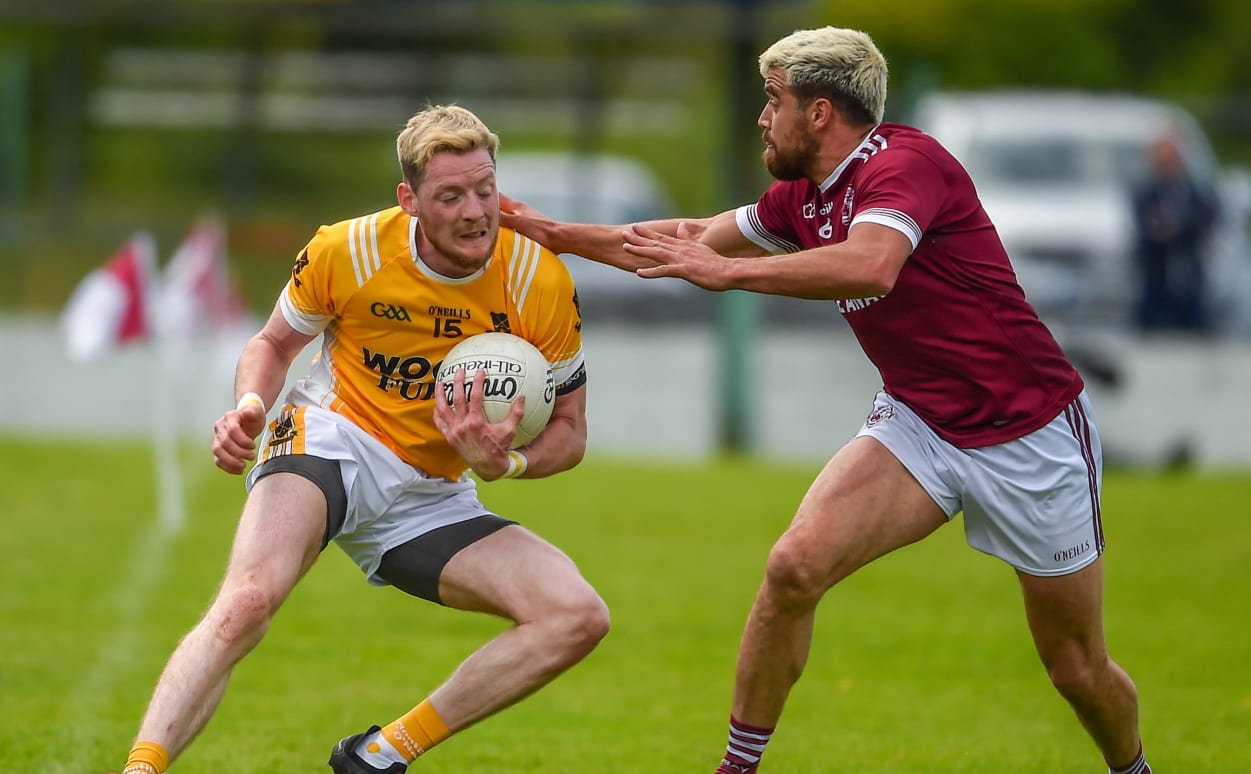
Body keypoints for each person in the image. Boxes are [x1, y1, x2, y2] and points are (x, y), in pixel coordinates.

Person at [501, 26, 1152, 774]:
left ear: (817, 112)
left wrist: (728, 277)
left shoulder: (908, 163)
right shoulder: (800, 200)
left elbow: (873, 264)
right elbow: (683, 238)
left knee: (1075, 669)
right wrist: (548, 232)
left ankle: (1132, 769)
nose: (760, 118)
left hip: (1030, 433)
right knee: (793, 567)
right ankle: (736, 769)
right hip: (922, 423)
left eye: (772, 100)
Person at [117, 103, 605, 774]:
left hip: (432, 491)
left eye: (485, 189)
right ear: (409, 200)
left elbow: (572, 432)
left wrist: (509, 461)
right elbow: (272, 343)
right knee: (251, 599)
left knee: (577, 615)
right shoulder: (347, 249)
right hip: (333, 436)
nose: (474, 211)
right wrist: (252, 406)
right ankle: (142, 767)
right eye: (451, 195)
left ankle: (379, 755)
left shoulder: (537, 280)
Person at [1132, 130, 1218, 333]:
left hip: (1188, 270)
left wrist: (1177, 227)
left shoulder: (1194, 191)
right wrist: (1158, 229)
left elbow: (1207, 218)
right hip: (1155, 272)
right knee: (1150, 322)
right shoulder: (1145, 192)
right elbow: (1141, 223)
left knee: (1195, 322)